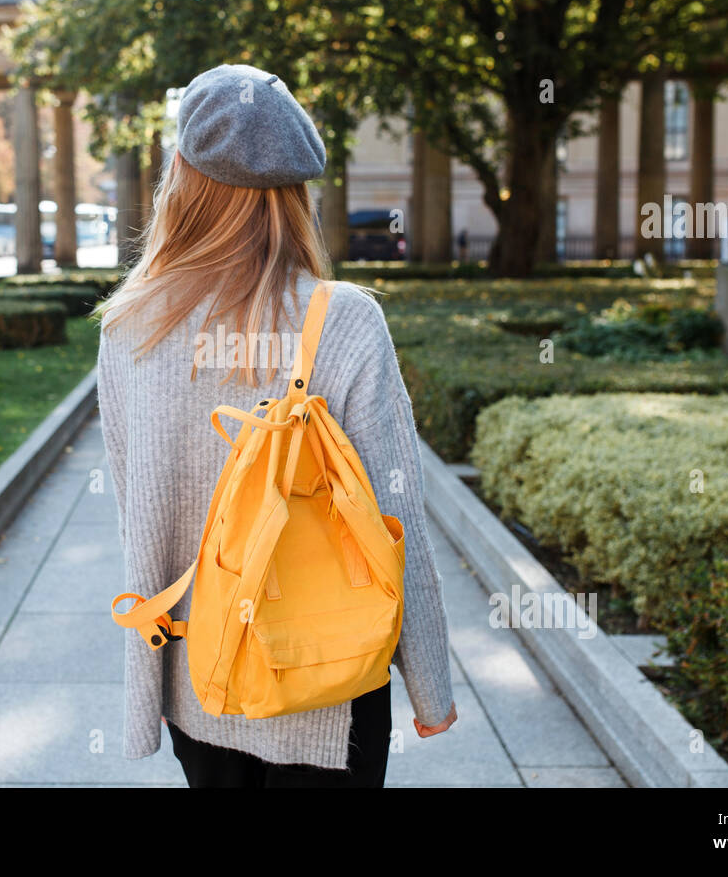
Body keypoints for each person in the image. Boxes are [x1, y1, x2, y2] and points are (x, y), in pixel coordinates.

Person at [95, 63, 457, 788]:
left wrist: (148, 686)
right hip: (332, 680)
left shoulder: (131, 326)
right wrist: (431, 685)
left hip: (201, 679)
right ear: (296, 193)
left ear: (182, 183)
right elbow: (395, 512)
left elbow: (141, 519)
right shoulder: (344, 319)